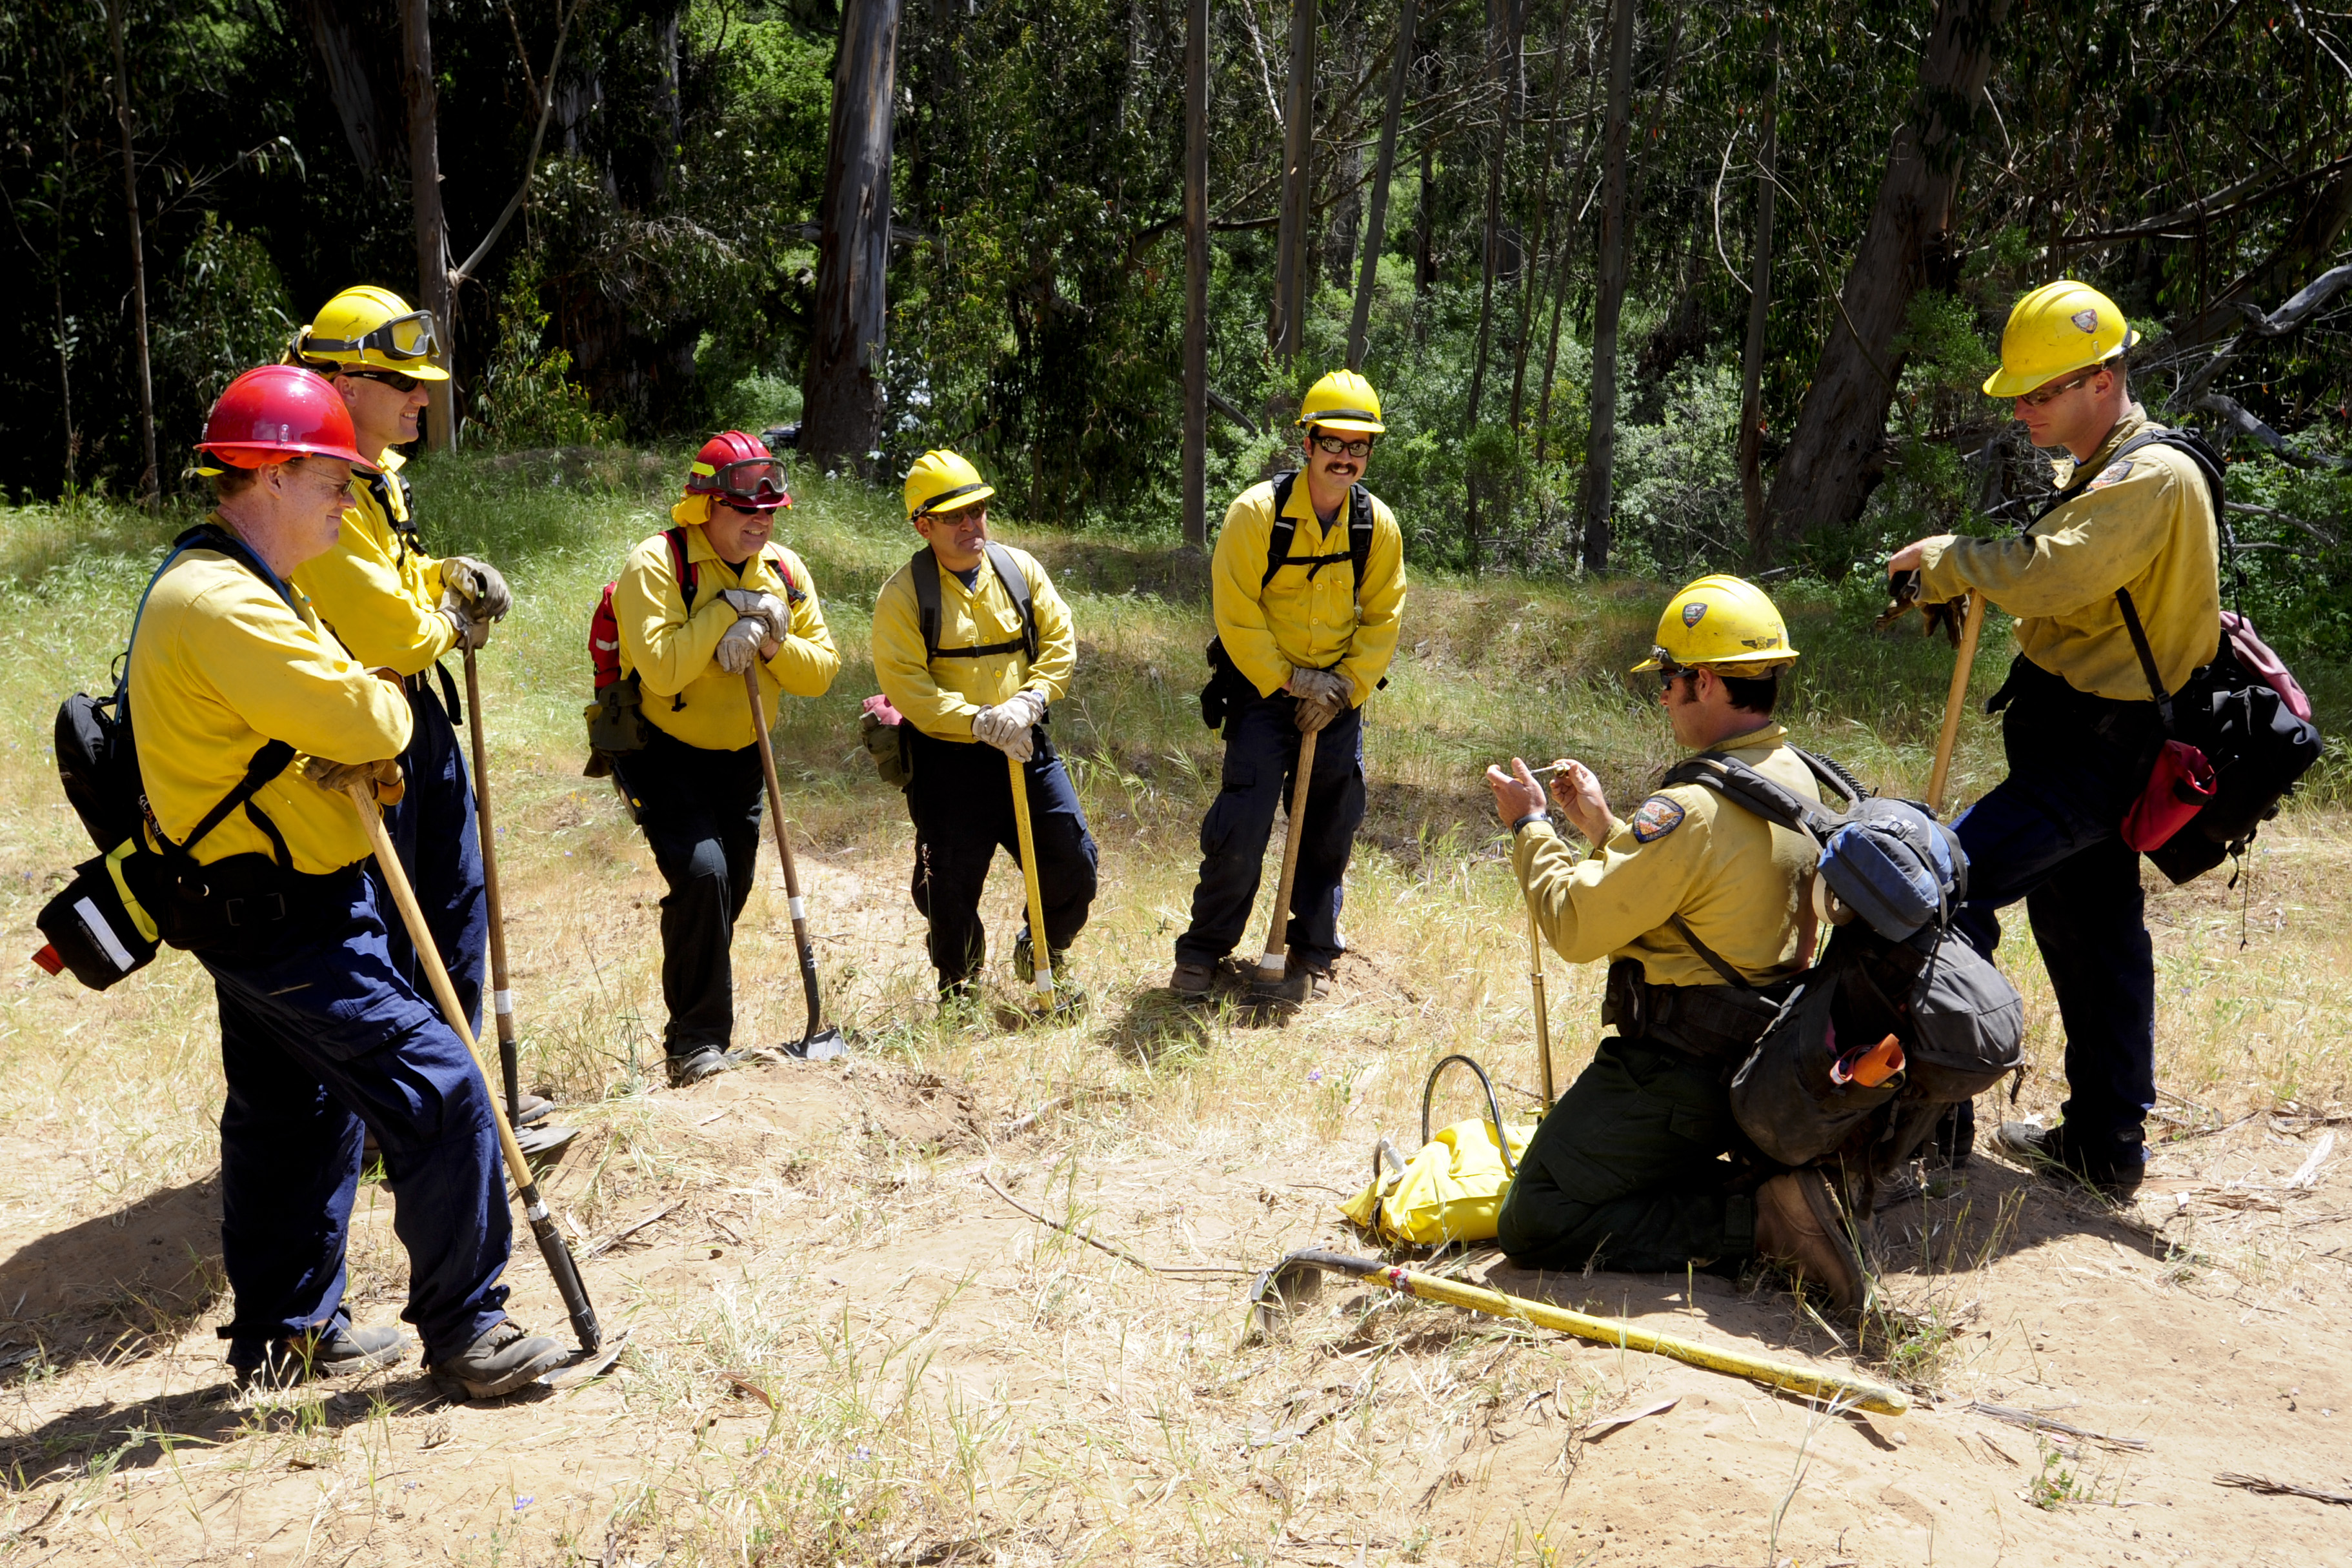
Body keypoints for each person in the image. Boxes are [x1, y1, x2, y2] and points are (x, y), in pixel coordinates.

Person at [139, 365, 560, 1395]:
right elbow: (382, 719)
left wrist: (351, 709)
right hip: (278, 915)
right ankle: (469, 1330)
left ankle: (288, 1332)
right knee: (441, 1083)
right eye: (331, 480)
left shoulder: (252, 583)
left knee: (295, 1111)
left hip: (276, 897)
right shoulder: (224, 603)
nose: (348, 496)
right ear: (273, 476)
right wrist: (367, 713)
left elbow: (348, 705)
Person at [1885, 279, 2219, 1200]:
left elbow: (2058, 574)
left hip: (2095, 753)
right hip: (2081, 741)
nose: (2024, 410)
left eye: (2041, 392)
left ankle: (1931, 1126)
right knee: (2092, 933)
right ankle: (2104, 1143)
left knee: (1943, 892)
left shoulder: (2149, 475)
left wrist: (1953, 561)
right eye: (2021, 395)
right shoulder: (2108, 468)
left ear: (2103, 378)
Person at [1482, 576, 1864, 1311]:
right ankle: (1761, 1186)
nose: (1662, 696)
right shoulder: (1796, 774)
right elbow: (1709, 891)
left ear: (1707, 682)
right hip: (1770, 1057)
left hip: (1680, 1069)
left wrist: (1531, 827)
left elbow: (1573, 926)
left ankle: (1760, 1221)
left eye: (1669, 679)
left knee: (1537, 1217)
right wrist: (1601, 829)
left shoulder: (1692, 804)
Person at [283, 286, 547, 1119]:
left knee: (456, 900)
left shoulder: (376, 477)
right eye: (406, 384)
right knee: (400, 929)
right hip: (359, 730)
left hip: (415, 715)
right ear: (348, 386)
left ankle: (459, 1094)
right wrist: (444, 619)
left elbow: (402, 595)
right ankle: (395, 1116)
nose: (423, 398)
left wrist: (445, 579)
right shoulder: (308, 482)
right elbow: (391, 633)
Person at [1169, 370, 1407, 999]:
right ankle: (1203, 953)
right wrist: (1289, 681)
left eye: (1360, 446)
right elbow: (1236, 613)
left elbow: (1384, 617)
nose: (1346, 457)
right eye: (1335, 442)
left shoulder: (1375, 527)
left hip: (1337, 700)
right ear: (1308, 443)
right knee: (1242, 826)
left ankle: (1312, 951)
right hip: (1262, 692)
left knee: (1330, 826)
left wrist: (1342, 690)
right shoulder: (1256, 515)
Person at [610, 432, 839, 1085]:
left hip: (744, 757)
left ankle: (694, 1021)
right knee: (704, 876)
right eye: (746, 512)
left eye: (770, 513)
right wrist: (728, 613)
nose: (760, 524)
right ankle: (695, 1046)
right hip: (663, 753)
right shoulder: (656, 564)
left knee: (724, 891)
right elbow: (660, 670)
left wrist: (768, 643)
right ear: (705, 507)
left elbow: (821, 671)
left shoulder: (787, 571)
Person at [871, 449, 1096, 1002]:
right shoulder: (902, 596)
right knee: (947, 888)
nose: (971, 525)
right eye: (954, 517)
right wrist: (977, 721)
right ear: (923, 526)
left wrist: (1031, 701)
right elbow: (908, 688)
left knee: (1072, 862)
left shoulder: (1020, 570)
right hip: (948, 762)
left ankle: (1044, 948)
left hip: (1026, 744)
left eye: (977, 511)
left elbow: (1060, 641)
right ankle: (959, 991)